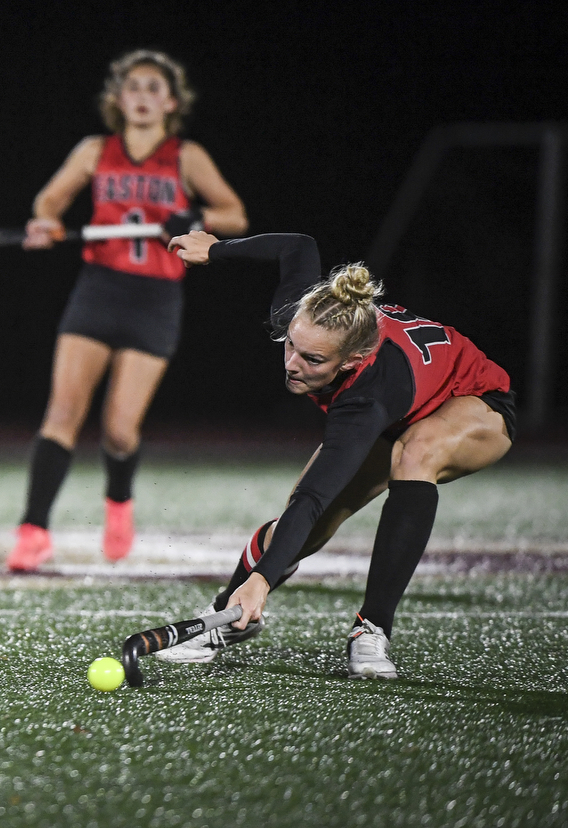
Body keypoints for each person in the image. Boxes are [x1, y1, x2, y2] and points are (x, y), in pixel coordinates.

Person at [157, 230, 514, 678]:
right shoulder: (305, 318)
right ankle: (225, 616)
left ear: (350, 360)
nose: (291, 363)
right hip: (403, 410)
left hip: (475, 402)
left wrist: (264, 581)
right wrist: (216, 250)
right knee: (300, 529)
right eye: (290, 345)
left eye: (312, 359)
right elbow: (299, 246)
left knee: (414, 452)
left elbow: (314, 494)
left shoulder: (366, 400)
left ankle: (372, 629)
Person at [7, 50, 248, 571]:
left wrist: (194, 215)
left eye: (153, 88)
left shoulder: (187, 157)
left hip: (156, 298)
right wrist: (44, 224)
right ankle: (33, 529)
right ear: (118, 99)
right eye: (133, 87)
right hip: (98, 289)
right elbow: (48, 203)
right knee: (62, 415)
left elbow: (234, 214)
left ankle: (118, 502)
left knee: (119, 430)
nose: (142, 96)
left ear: (171, 101)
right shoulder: (95, 150)